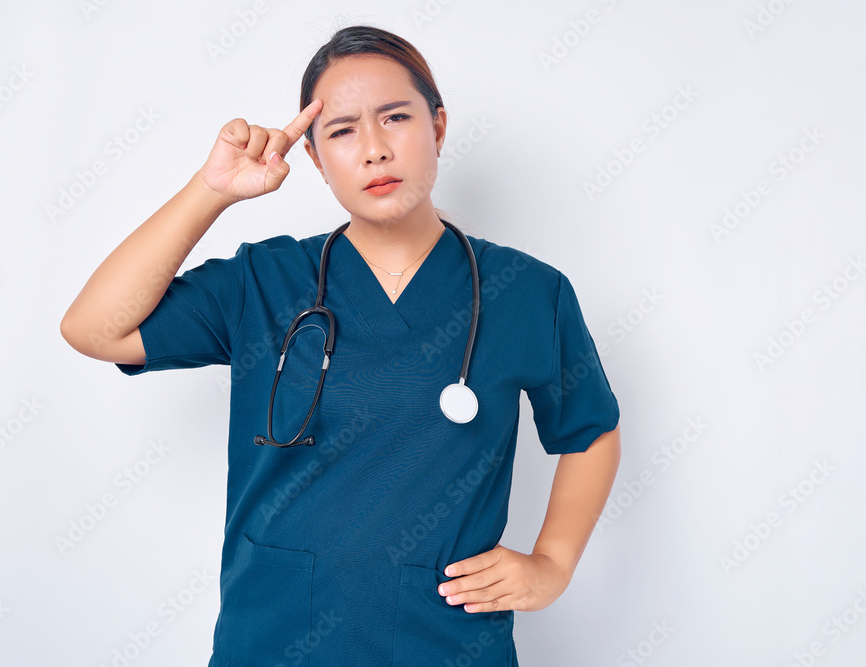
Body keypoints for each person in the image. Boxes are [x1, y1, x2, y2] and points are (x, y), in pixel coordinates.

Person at [61, 24, 621, 667]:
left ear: (438, 127)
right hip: (273, 641)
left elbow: (589, 431)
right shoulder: (262, 284)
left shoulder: (528, 294)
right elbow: (93, 328)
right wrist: (210, 191)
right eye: (343, 131)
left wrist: (553, 562)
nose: (375, 150)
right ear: (317, 161)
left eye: (395, 118)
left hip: (444, 643)